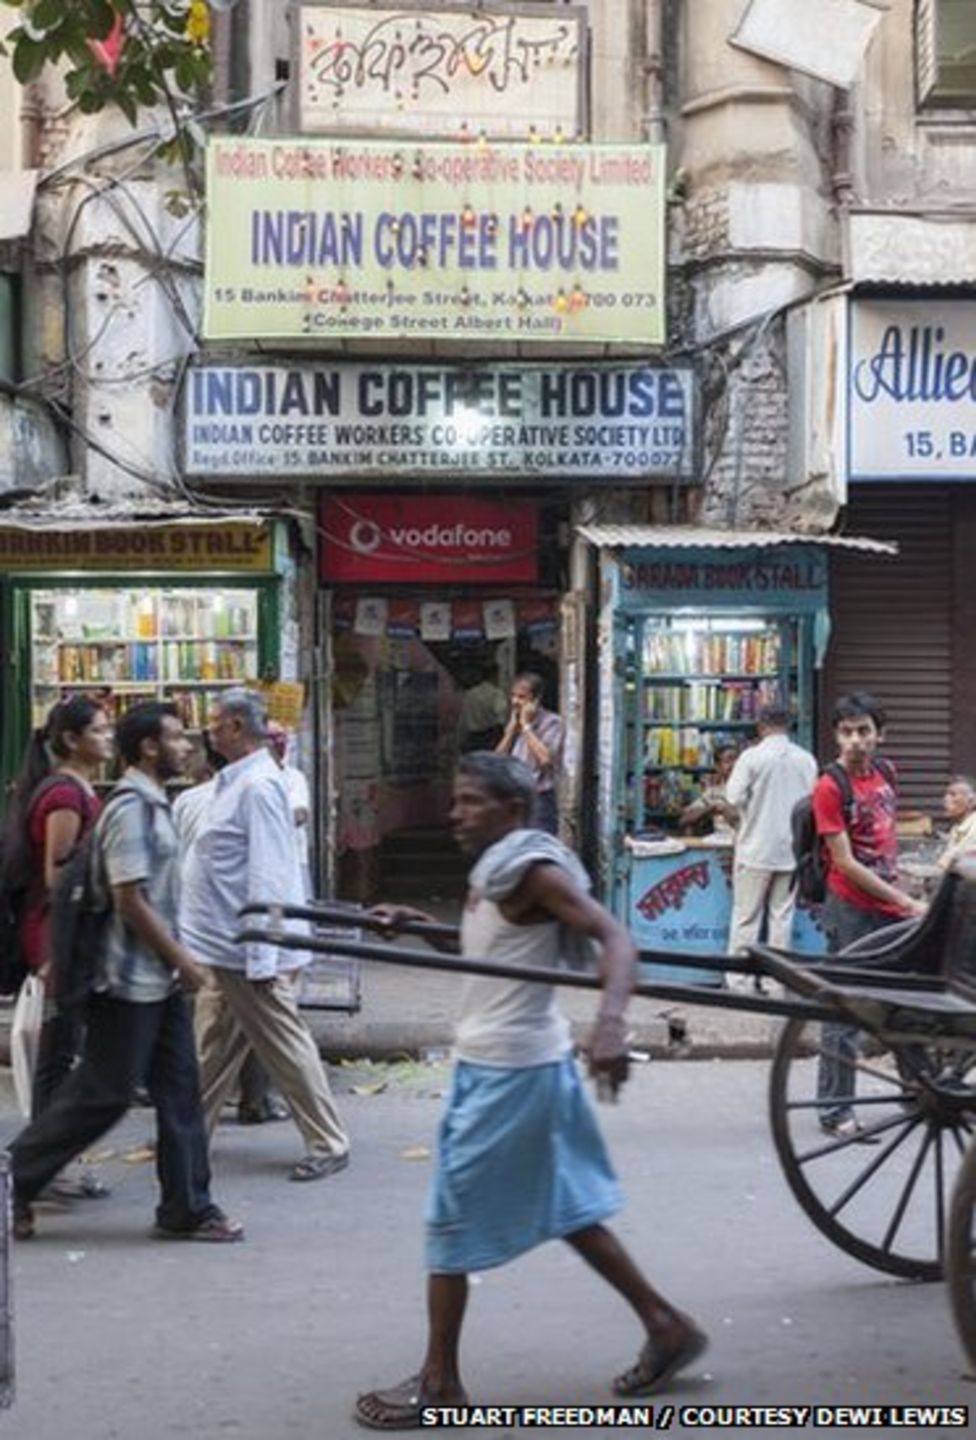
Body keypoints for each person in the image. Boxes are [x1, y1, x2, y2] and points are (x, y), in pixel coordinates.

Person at [354, 752, 706, 1428]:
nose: (454, 814)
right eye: (454, 801)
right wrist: (418, 925)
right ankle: (666, 1325)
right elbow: (490, 951)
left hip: (510, 1071)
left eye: (468, 802)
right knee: (569, 1211)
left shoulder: (533, 870)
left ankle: (440, 1382)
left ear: (512, 810)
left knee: (449, 1221)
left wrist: (609, 1025)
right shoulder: (497, 870)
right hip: (515, 1063)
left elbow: (615, 938)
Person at [10, 702, 243, 1243]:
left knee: (181, 1091)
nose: (188, 747)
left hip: (155, 981)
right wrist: (183, 961)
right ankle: (15, 1179)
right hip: (126, 979)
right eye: (178, 738)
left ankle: (187, 1206)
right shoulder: (131, 809)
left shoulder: (155, 803)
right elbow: (129, 901)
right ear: (149, 748)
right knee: (103, 1093)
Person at [182, 689, 350, 1181]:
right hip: (225, 947)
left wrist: (263, 957)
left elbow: (270, 875)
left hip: (248, 949)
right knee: (213, 1044)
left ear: (236, 726)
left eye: (215, 723)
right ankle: (189, 1133)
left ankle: (329, 1141)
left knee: (284, 1043)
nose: (208, 731)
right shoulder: (235, 783)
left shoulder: (259, 786)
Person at [813, 692, 925, 1140]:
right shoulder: (829, 786)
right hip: (852, 908)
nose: (856, 740)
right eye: (846, 732)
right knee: (844, 1009)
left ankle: (919, 1088)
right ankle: (835, 1110)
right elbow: (846, 863)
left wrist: (902, 893)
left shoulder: (886, 773)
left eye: (864, 731)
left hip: (891, 903)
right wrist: (905, 902)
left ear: (880, 735)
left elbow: (885, 836)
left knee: (908, 998)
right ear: (836, 736)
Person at [724, 706, 818, 960]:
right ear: (789, 725)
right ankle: (775, 981)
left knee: (746, 919)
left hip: (755, 850)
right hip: (791, 851)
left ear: (760, 726)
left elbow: (732, 798)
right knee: (782, 920)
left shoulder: (751, 758)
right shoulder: (806, 759)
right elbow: (813, 804)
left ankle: (740, 982)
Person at [495, 672, 564, 834]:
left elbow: (545, 760)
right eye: (513, 696)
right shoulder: (514, 723)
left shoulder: (553, 722)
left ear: (536, 699)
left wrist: (527, 727)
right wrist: (511, 732)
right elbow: (497, 760)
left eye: (521, 697)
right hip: (514, 797)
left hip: (539, 799)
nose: (515, 702)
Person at [678, 744, 739, 838]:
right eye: (728, 761)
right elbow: (684, 819)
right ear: (718, 767)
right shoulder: (713, 792)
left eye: (736, 760)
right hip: (720, 843)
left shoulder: (753, 789)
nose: (734, 765)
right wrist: (712, 808)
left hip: (746, 843)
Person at [456, 662, 508, 753]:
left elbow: (463, 721)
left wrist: (460, 741)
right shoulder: (496, 694)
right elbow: (502, 717)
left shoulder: (469, 694)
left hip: (472, 739)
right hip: (490, 739)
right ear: (494, 675)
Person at [937, 775, 976, 872]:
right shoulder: (957, 827)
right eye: (946, 795)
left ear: (971, 802)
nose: (946, 799)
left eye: (953, 795)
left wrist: (950, 857)